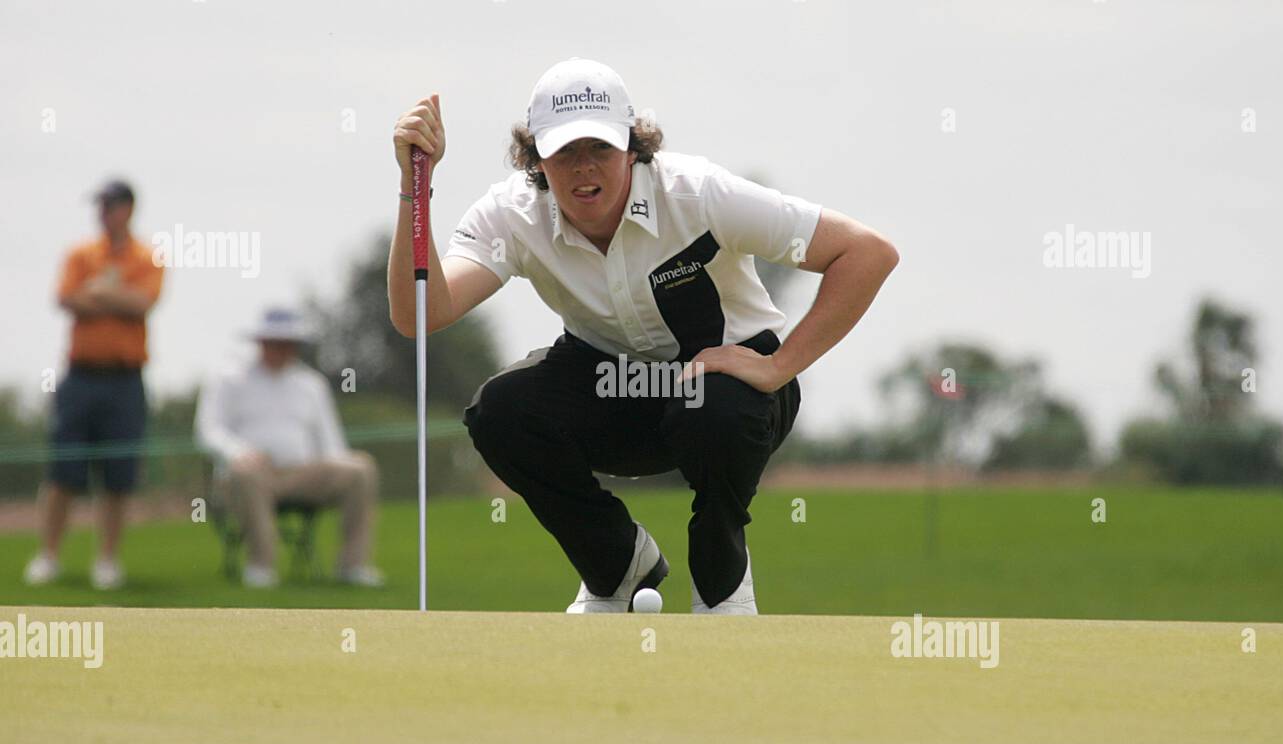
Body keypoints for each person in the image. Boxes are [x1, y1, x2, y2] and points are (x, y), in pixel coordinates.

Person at [387, 59, 899, 614]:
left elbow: (866, 253)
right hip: (615, 387)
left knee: (715, 410)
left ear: (633, 148)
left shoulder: (698, 193)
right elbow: (420, 314)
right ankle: (617, 570)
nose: (584, 168)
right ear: (535, 158)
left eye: (600, 148)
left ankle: (723, 588)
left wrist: (779, 367)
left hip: (734, 395)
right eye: (564, 151)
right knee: (500, 411)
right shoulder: (511, 214)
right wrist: (415, 190)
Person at [24, 179, 165, 590]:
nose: (102, 213)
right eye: (99, 206)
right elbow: (67, 299)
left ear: (128, 208)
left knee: (118, 475)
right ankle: (48, 555)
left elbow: (143, 304)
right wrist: (115, 296)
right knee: (63, 470)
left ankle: (107, 560)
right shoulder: (80, 254)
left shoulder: (147, 256)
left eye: (109, 206)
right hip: (80, 378)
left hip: (125, 380)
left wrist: (100, 292)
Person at [194, 308, 384, 589]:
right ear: (261, 342)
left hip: (302, 475)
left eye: (287, 343)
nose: (280, 349)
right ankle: (261, 567)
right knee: (246, 473)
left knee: (361, 468)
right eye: (274, 342)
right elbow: (208, 431)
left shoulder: (312, 384)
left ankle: (353, 566)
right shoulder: (229, 379)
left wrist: (339, 465)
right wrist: (238, 453)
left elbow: (331, 444)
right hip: (248, 475)